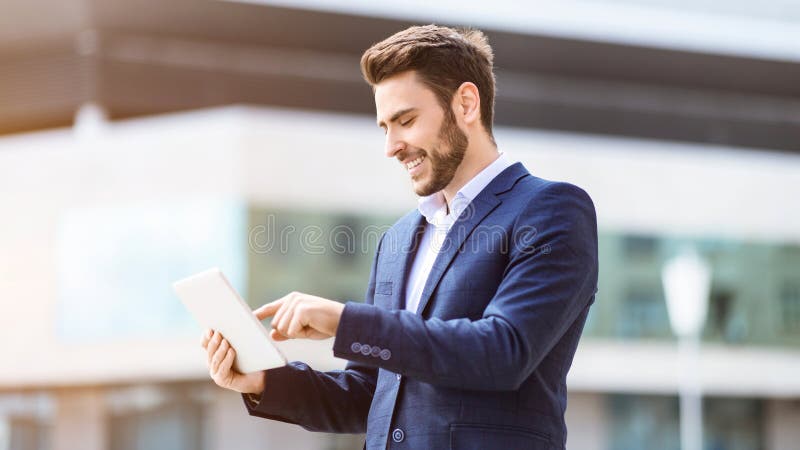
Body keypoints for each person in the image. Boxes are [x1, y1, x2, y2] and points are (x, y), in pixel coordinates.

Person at [201, 24, 598, 449]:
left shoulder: (552, 209)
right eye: (384, 127)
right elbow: (373, 396)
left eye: (406, 121)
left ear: (466, 103)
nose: (391, 146)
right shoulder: (398, 239)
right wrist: (264, 379)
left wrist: (345, 322)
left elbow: (503, 352)